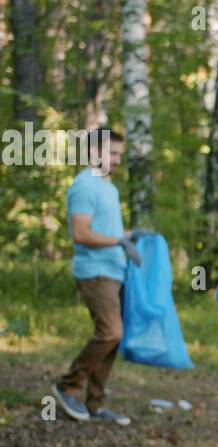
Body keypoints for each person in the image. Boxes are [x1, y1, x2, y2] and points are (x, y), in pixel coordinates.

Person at [52, 128, 145, 426]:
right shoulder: (84, 186)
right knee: (110, 332)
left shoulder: (108, 188)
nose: (117, 160)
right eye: (112, 153)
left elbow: (107, 231)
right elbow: (81, 234)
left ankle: (96, 404)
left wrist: (130, 236)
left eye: (119, 154)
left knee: (112, 340)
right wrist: (119, 242)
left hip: (114, 271)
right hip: (95, 272)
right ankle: (67, 385)